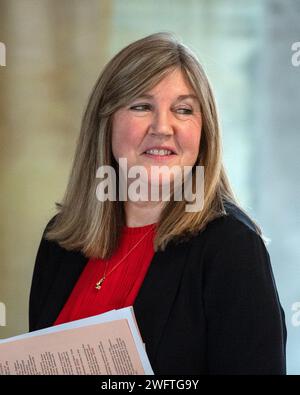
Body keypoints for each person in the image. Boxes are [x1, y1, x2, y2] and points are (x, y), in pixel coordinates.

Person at [29, 32, 286, 374]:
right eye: (141, 106)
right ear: (105, 123)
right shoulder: (59, 241)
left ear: (204, 131)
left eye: (183, 109)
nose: (163, 127)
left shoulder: (232, 247)